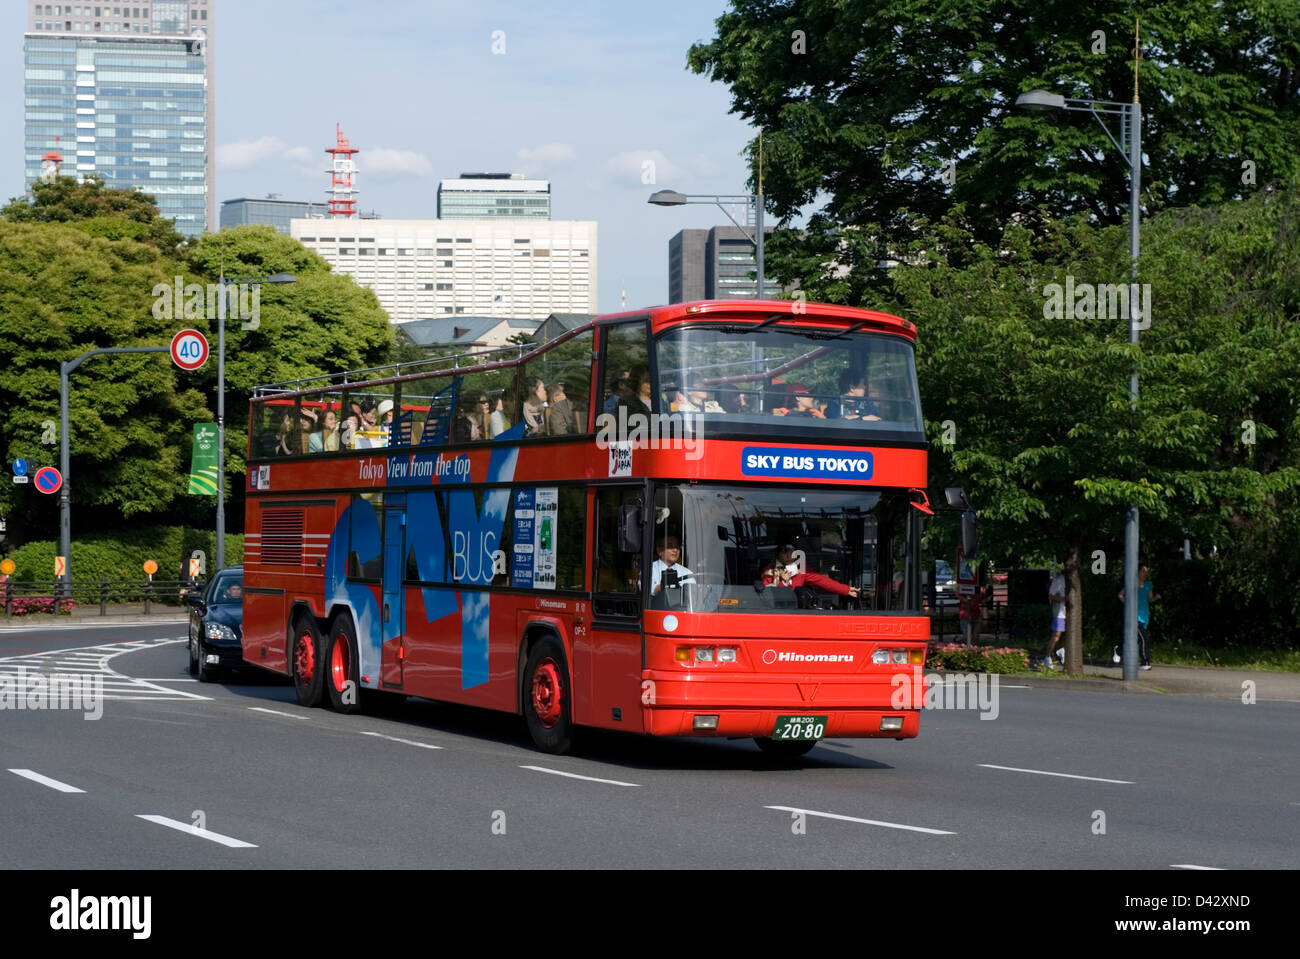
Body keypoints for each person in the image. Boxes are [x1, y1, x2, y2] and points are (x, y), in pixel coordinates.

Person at [760, 545, 859, 598]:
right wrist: (783, 582)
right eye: (785, 551)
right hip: (776, 611)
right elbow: (767, 593)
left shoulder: (800, 568)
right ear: (779, 554)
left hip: (797, 610)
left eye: (792, 550)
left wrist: (846, 589)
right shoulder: (769, 570)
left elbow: (820, 580)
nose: (789, 554)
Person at [1118, 565, 1160, 670]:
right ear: (1138, 572)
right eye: (1143, 571)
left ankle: (1118, 650)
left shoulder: (1148, 585)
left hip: (1144, 616)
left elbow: (1149, 599)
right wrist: (1128, 605)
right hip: (1134, 616)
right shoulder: (1132, 583)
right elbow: (1120, 595)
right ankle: (1145, 662)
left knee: (1134, 639)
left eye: (1147, 572)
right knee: (1144, 638)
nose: (1145, 574)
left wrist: (1155, 598)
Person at [1045, 569, 1066, 668]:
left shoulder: (1073, 580)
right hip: (1060, 613)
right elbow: (1051, 596)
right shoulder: (1058, 580)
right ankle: (1047, 657)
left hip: (1069, 612)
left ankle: (1063, 650)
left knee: (1070, 634)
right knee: (1056, 636)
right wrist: (1064, 599)